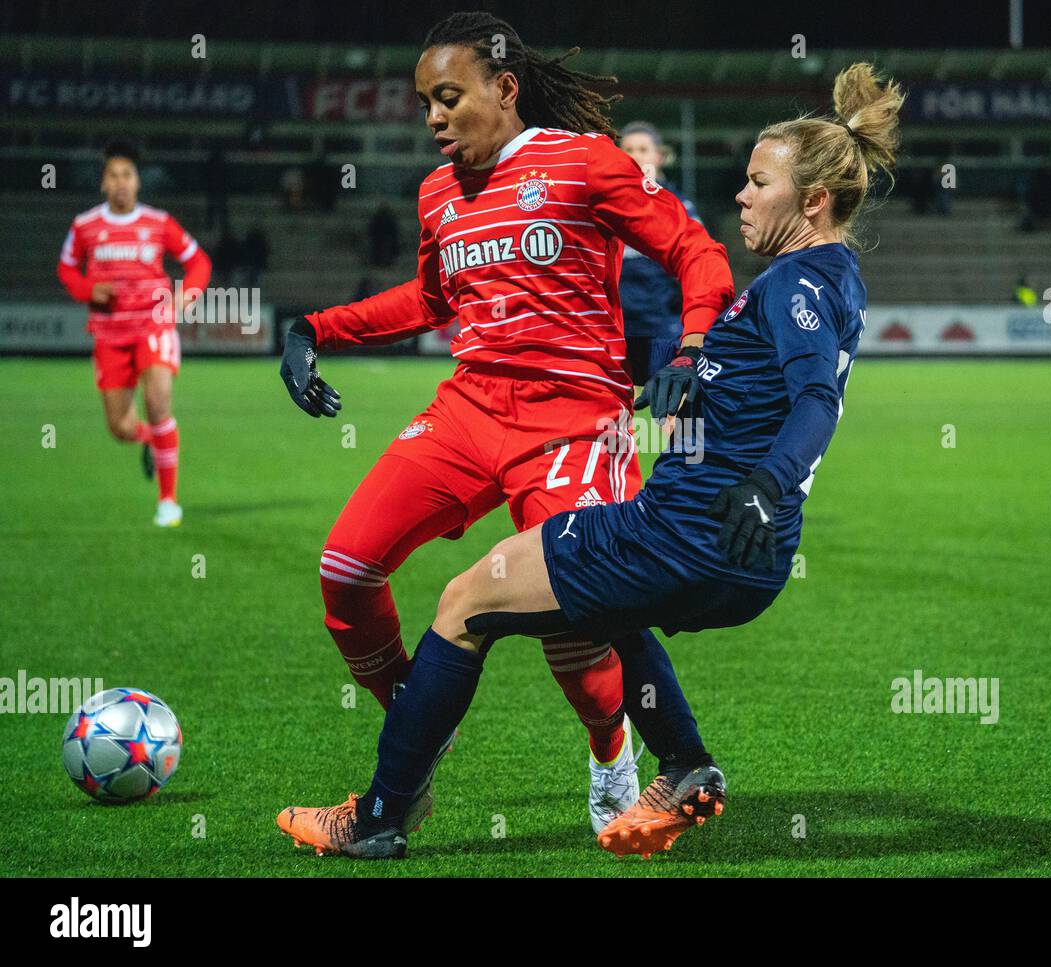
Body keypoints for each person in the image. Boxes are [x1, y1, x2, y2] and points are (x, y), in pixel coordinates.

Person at [276, 61, 902, 860]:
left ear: (812, 201)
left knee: (467, 601)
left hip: (687, 529)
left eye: (757, 182)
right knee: (593, 613)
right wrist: (686, 381)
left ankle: (379, 816)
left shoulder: (794, 282)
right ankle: (683, 764)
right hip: (746, 555)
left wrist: (764, 485)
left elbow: (815, 399)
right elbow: (771, 391)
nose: (740, 196)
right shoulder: (831, 279)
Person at [276, 12, 733, 835]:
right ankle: (420, 726)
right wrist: (316, 327)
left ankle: (611, 750)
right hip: (469, 410)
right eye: (425, 104)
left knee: (581, 623)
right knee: (346, 568)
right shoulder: (436, 192)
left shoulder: (586, 162)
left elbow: (695, 249)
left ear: (505, 88)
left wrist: (693, 344)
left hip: (575, 418)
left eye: (447, 97)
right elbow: (427, 301)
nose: (433, 119)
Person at [57, 138, 211, 528]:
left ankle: (168, 501)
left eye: (128, 174)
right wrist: (89, 290)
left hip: (153, 324)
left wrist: (185, 296)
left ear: (138, 182)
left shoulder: (158, 223)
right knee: (119, 427)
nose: (121, 182)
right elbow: (66, 269)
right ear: (103, 184)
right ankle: (147, 439)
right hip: (109, 335)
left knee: (159, 403)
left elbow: (198, 262)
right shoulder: (86, 226)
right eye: (113, 175)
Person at [616, 121, 701, 385]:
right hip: (617, 324)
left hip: (662, 324)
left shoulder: (677, 205)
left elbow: (696, 265)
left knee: (670, 402)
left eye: (643, 149)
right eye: (628, 149)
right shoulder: (605, 204)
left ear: (659, 156)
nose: (635, 155)